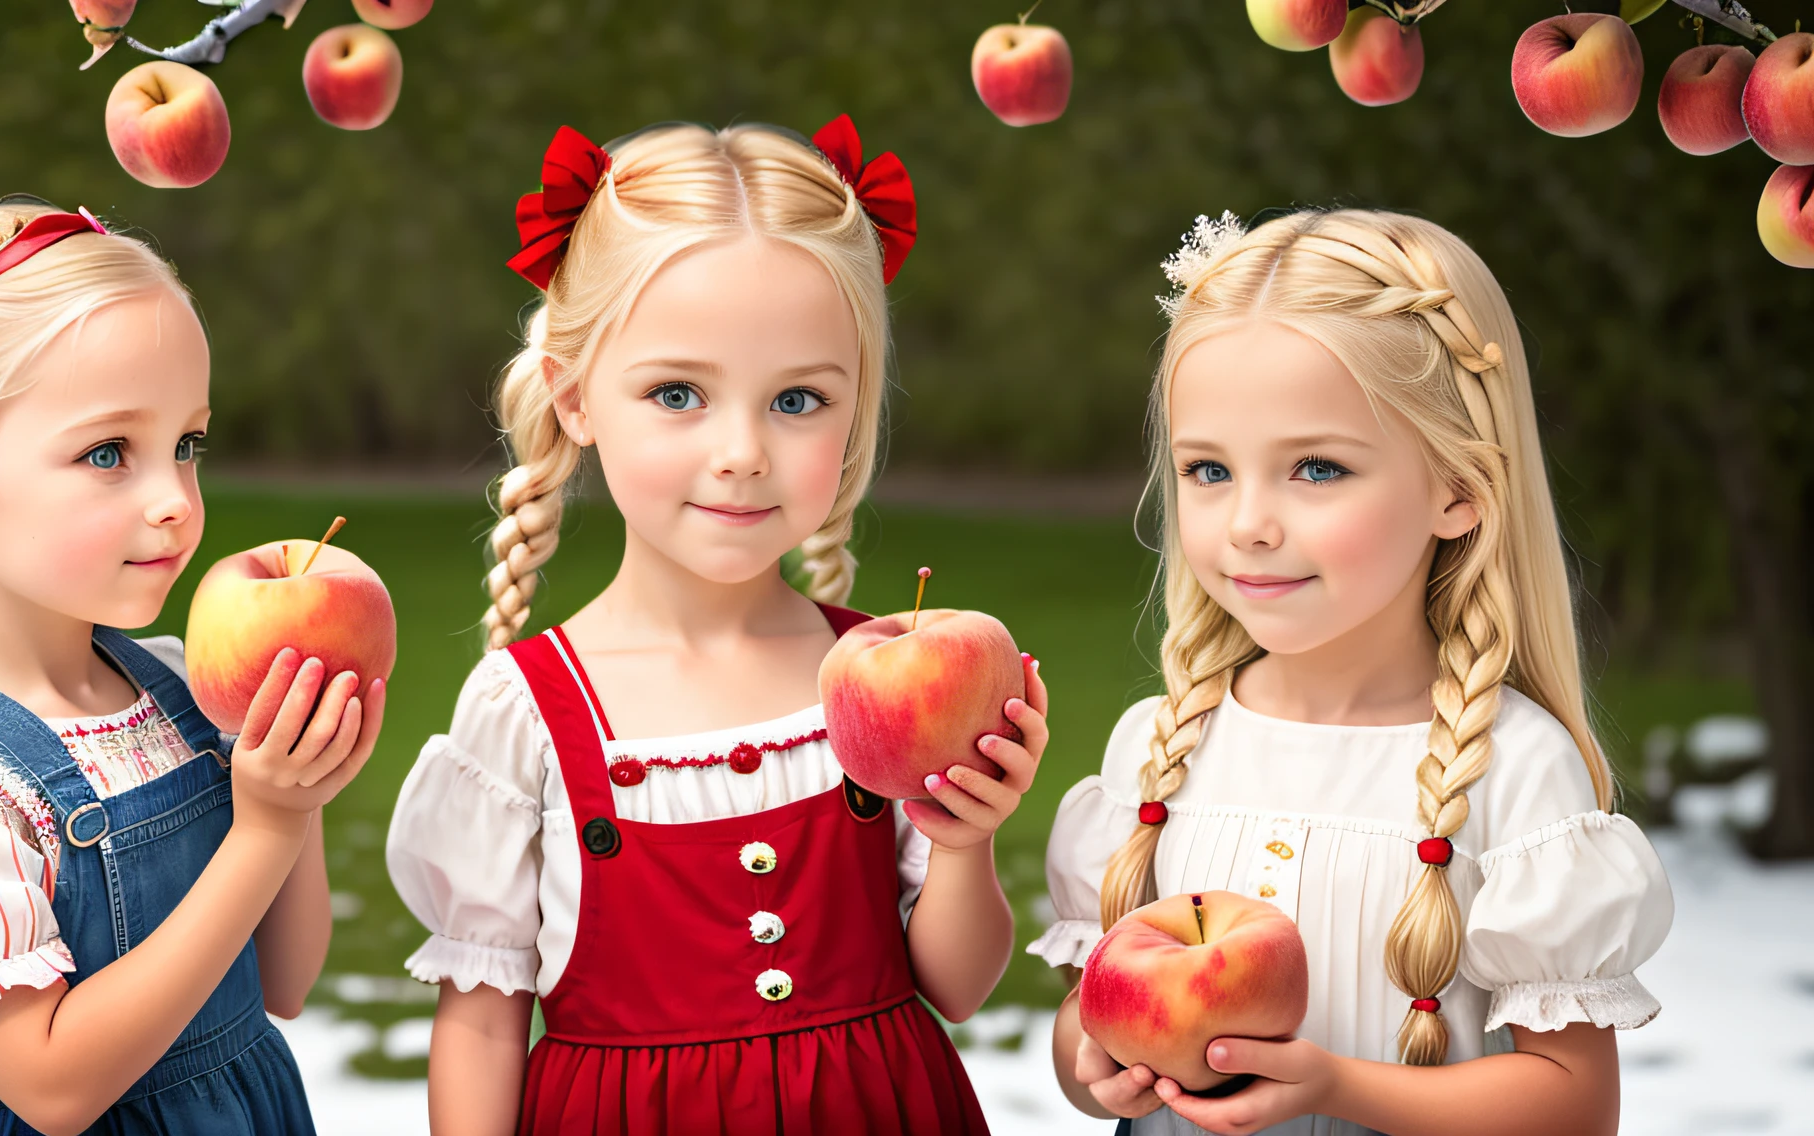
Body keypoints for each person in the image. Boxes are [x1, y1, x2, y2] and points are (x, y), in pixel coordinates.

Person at [386, 118, 1046, 1134]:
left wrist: (966, 844)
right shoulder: (524, 711)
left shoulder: (879, 683)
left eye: (795, 398)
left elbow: (955, 987)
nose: (741, 451)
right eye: (678, 393)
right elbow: (479, 1022)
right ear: (573, 397)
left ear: (855, 407)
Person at [1036, 209, 1673, 1135]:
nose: (1249, 522)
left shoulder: (1514, 771)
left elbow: (1575, 1107)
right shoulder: (1158, 752)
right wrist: (1093, 1058)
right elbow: (1078, 1034)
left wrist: (1340, 1088)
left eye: (1317, 469)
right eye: (1208, 470)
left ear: (1459, 489)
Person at [0, 199, 384, 1135]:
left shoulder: (175, 686)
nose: (176, 503)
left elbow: (285, 979)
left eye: (186, 445)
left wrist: (296, 793)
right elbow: (57, 1089)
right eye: (110, 452)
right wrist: (263, 830)